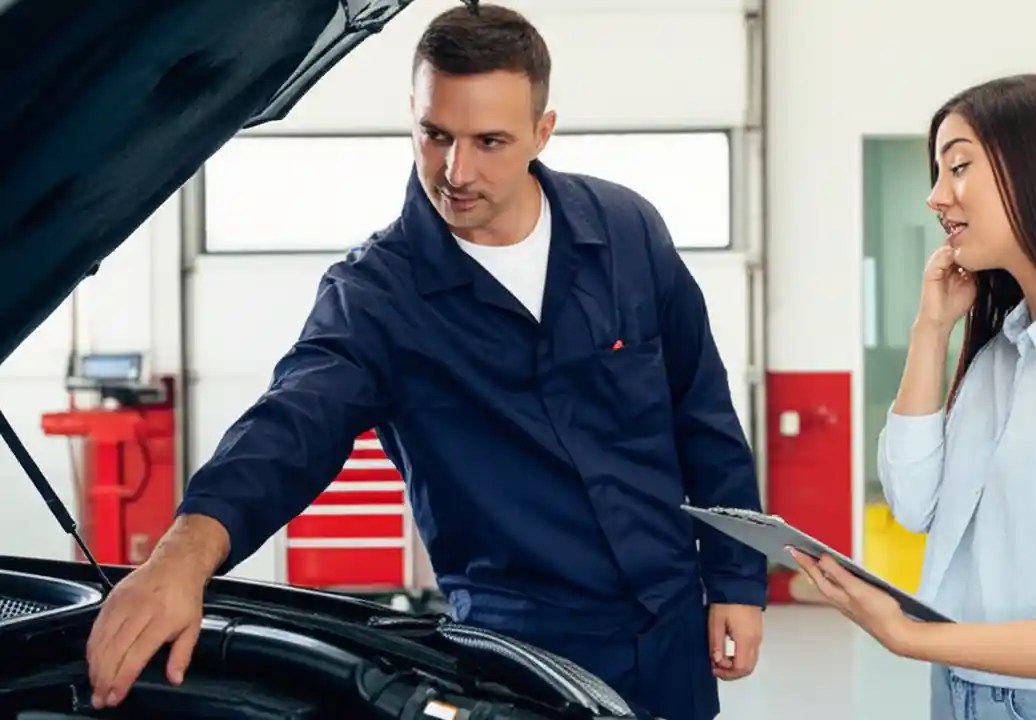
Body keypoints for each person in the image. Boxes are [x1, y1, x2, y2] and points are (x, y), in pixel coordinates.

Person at [83, 5, 766, 719]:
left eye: (489, 141)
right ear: (412, 115)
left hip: (669, 628)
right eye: (434, 135)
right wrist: (182, 557)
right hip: (522, 652)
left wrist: (737, 581)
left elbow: (703, 413)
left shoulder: (627, 232)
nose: (455, 171)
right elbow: (290, 426)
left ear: (543, 131)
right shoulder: (378, 296)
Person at [790, 73, 1036, 720]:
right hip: (959, 692)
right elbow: (914, 503)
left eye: (958, 167)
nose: (935, 196)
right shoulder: (1002, 351)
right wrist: (931, 330)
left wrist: (912, 634)